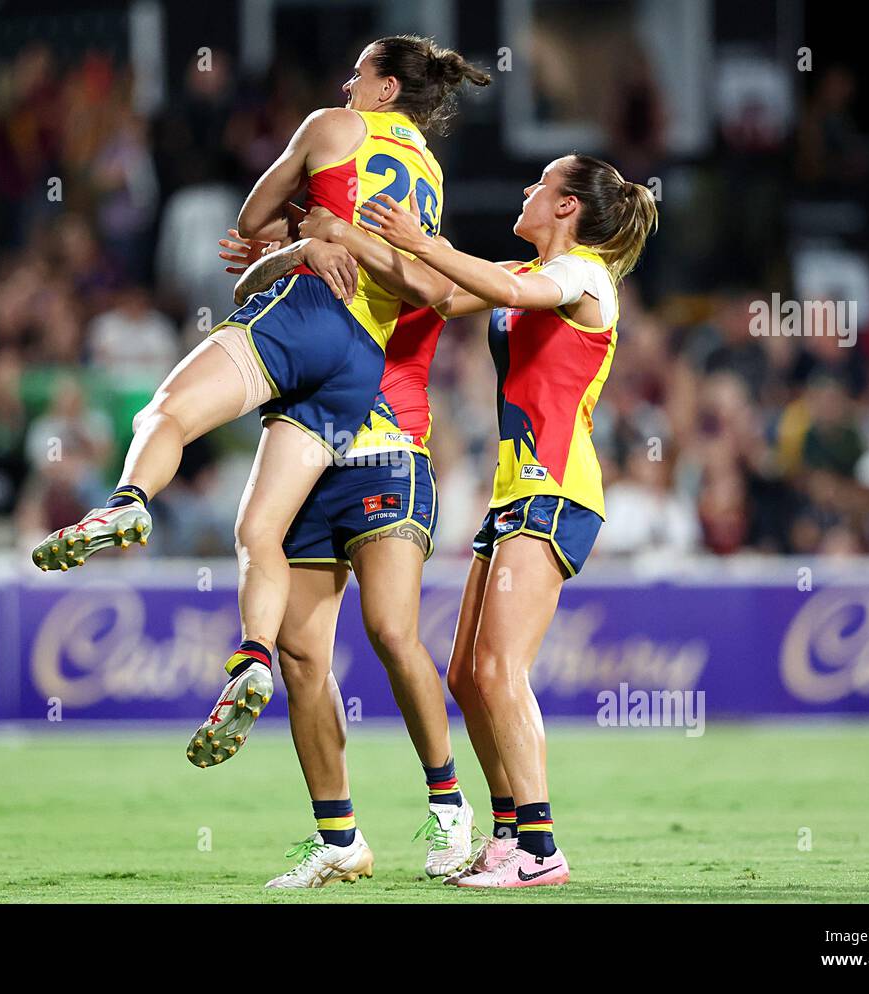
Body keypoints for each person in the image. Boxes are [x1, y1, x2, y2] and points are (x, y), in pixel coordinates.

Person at [29, 36, 489, 779]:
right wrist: (312, 229)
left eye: (359, 72)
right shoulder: (429, 176)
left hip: (307, 316)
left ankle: (128, 500)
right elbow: (424, 284)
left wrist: (302, 230)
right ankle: (251, 657)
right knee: (261, 527)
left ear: (384, 89)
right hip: (360, 365)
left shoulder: (332, 127)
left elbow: (249, 217)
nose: (346, 81)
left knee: (166, 414)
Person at [359, 153, 658, 887]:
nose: (525, 190)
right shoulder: (523, 276)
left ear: (567, 209)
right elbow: (432, 292)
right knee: (465, 673)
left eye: (541, 184)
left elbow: (476, 280)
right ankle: (506, 835)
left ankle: (541, 848)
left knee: (499, 669)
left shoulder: (585, 274)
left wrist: (427, 242)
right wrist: (326, 236)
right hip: (513, 494)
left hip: (557, 490)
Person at [211, 176, 477, 885]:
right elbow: (244, 294)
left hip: (388, 455)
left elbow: (447, 293)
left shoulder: (422, 257)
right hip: (306, 463)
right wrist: (299, 243)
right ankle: (339, 837)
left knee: (391, 629)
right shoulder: (312, 249)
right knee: (302, 660)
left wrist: (344, 235)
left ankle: (449, 804)